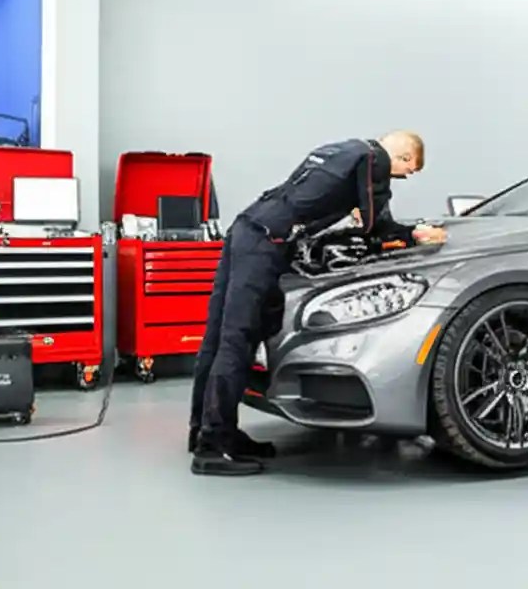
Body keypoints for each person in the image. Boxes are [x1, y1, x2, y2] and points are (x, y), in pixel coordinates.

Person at [188, 131, 447, 476]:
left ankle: (205, 431)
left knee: (218, 335)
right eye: (408, 171)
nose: (403, 177)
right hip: (267, 241)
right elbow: (375, 226)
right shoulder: (374, 161)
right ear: (403, 157)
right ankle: (212, 446)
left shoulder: (343, 149)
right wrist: (414, 235)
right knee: (238, 338)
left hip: (247, 227)